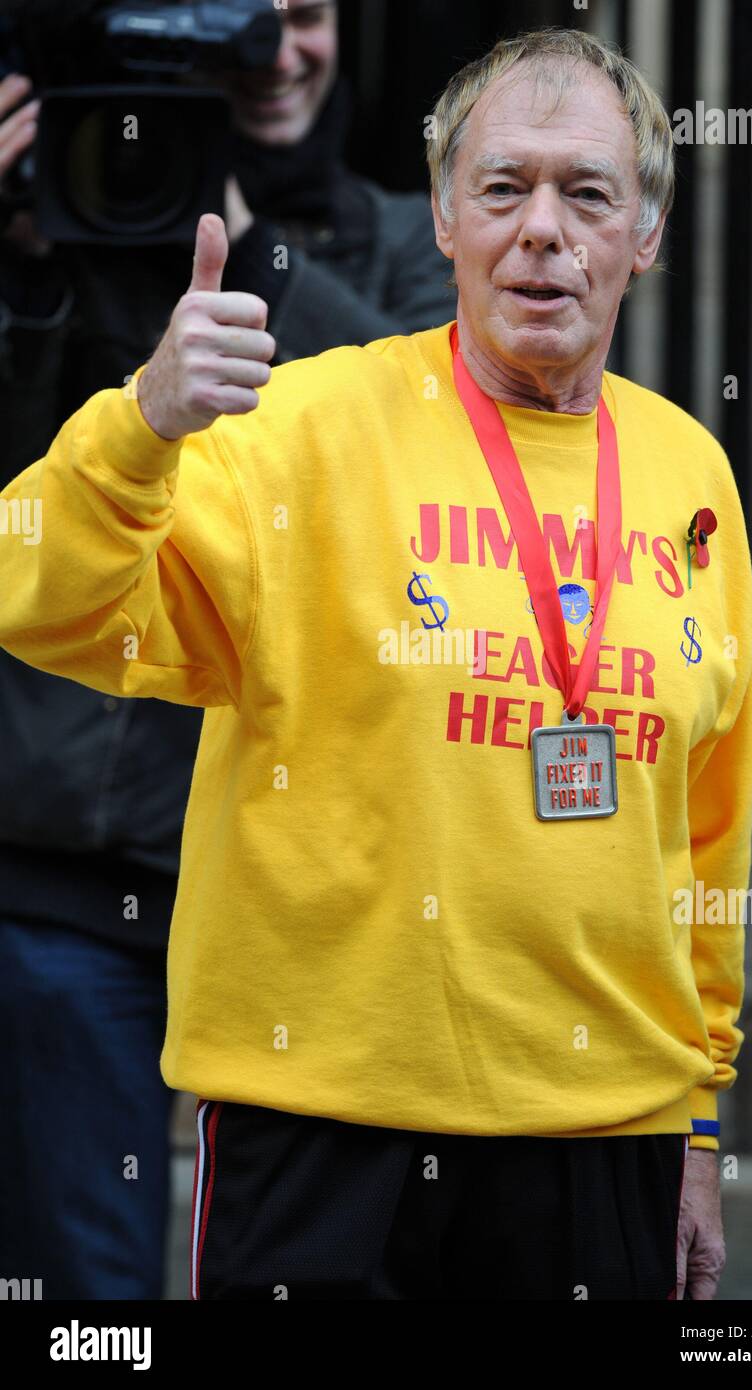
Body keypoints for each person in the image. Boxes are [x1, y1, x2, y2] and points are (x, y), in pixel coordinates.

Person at [0, 26, 752, 1301]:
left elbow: (709, 836)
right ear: (447, 218)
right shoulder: (296, 426)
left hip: (604, 1126)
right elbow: (40, 595)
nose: (542, 230)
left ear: (648, 234)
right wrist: (144, 423)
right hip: (327, 1127)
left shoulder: (694, 474)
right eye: (503, 188)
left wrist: (695, 1119)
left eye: (588, 193)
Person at [0, 0, 455, 1300]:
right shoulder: (62, 213)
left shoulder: (401, 240)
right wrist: (24, 272)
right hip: (70, 876)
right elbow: (24, 532)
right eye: (240, 25)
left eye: (301, 16)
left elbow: (432, 455)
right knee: (90, 1288)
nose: (278, 55)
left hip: (314, 894)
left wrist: (251, 248)